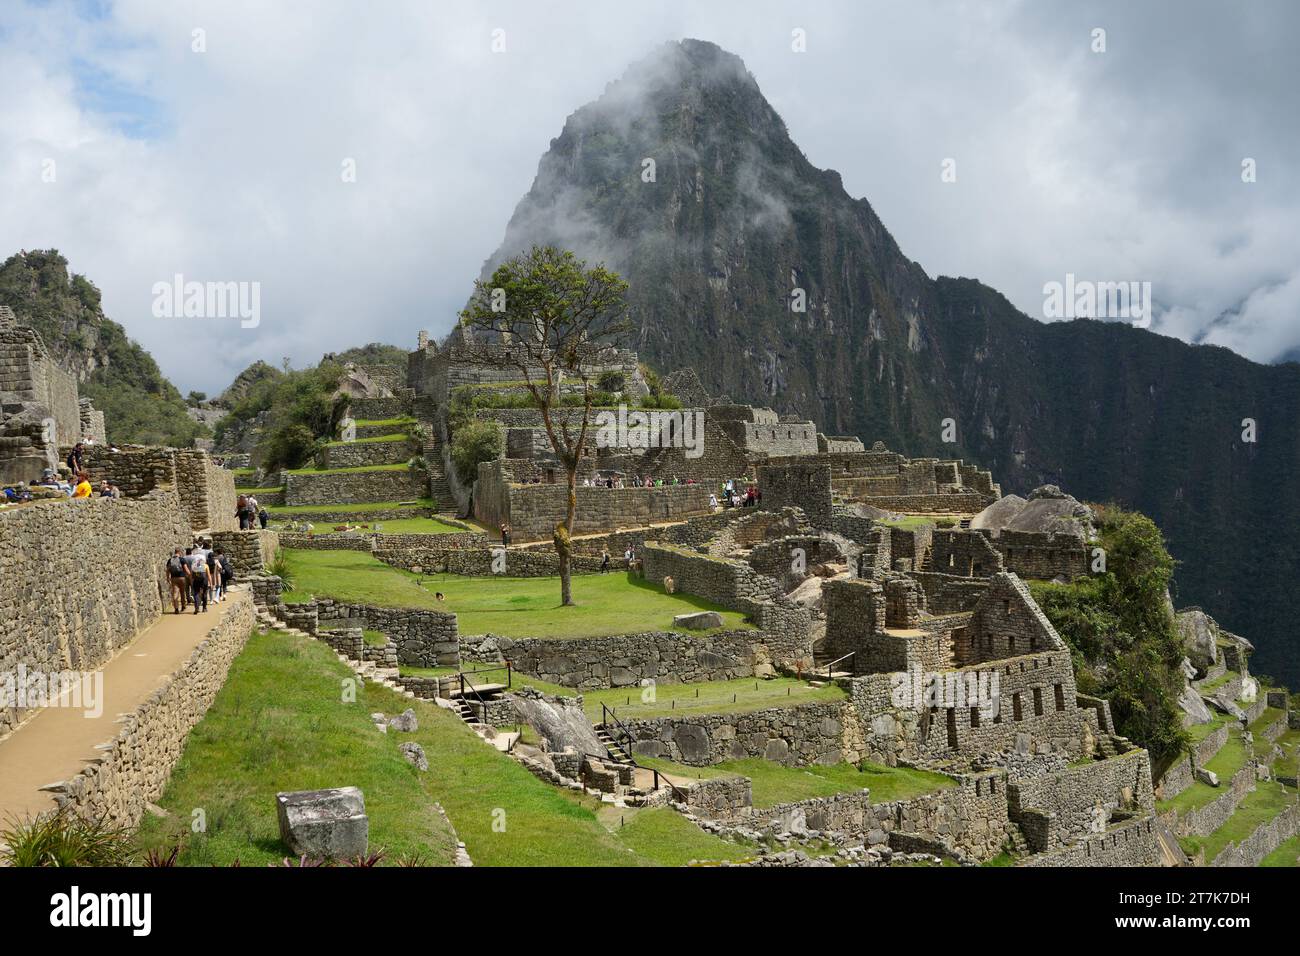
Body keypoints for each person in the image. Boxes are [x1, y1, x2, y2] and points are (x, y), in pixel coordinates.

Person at [165, 548, 190, 613]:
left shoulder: (170, 560)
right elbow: (186, 569)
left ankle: (176, 608)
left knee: (175, 593)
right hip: (182, 578)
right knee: (182, 592)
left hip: (174, 578)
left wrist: (168, 578)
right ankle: (183, 606)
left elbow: (167, 570)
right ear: (179, 552)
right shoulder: (182, 559)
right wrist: (190, 575)